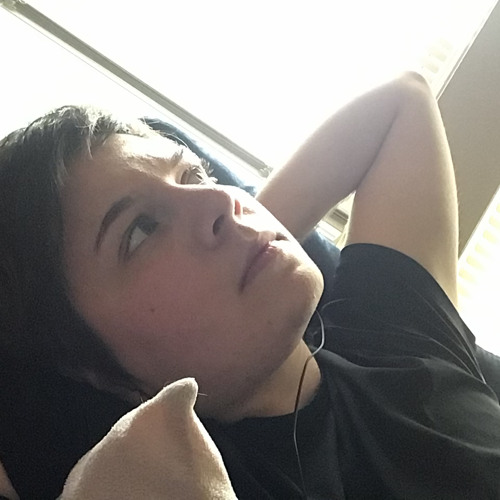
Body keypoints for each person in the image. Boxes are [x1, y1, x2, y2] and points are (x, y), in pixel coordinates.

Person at [0, 71, 499, 499]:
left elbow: (404, 100)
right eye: (141, 230)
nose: (224, 200)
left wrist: (246, 250)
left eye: (194, 176)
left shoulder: (391, 325)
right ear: (92, 370)